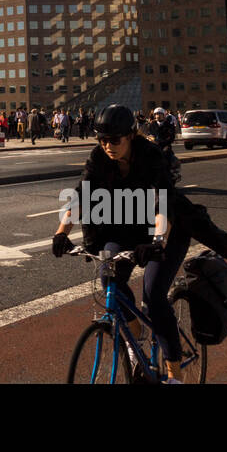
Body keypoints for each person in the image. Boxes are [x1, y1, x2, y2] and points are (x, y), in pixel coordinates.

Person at [50, 104, 190, 382]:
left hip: (166, 230)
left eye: (115, 140)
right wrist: (62, 232)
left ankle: (174, 373)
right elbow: (80, 196)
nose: (108, 145)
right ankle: (135, 333)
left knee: (153, 296)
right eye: (102, 139)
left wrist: (158, 241)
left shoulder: (150, 156)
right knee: (107, 276)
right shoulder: (98, 158)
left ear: (131, 136)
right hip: (127, 227)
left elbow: (164, 202)